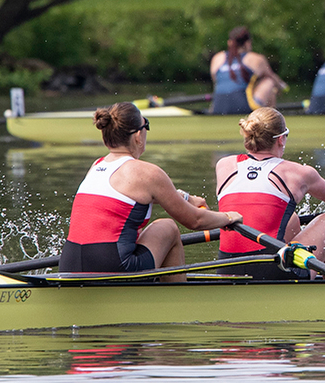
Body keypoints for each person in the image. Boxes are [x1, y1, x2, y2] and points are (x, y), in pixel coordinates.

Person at [58, 102, 240, 278]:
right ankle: (177, 303)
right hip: (112, 265)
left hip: (69, 264)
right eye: (147, 126)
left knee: (129, 234)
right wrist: (229, 217)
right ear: (138, 135)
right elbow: (195, 220)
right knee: (167, 227)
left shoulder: (97, 166)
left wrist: (185, 198)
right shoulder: (148, 172)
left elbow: (135, 195)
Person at [214, 107, 325, 279]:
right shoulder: (297, 173)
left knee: (292, 219)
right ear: (280, 139)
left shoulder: (224, 165)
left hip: (227, 268)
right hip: (272, 270)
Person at [209, 26, 287, 115]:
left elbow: (217, 82)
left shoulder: (217, 58)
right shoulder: (256, 58)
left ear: (229, 43)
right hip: (244, 107)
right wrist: (283, 88)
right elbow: (273, 78)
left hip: (218, 107)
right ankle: (272, 120)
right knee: (269, 81)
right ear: (248, 43)